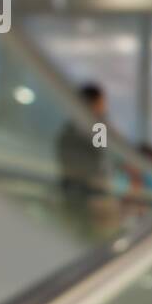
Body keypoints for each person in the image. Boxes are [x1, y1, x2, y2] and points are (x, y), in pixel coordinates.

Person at [56, 83, 111, 233]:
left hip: (74, 191)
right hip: (87, 195)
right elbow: (101, 160)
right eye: (102, 103)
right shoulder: (98, 127)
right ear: (92, 103)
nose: (104, 107)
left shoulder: (70, 129)